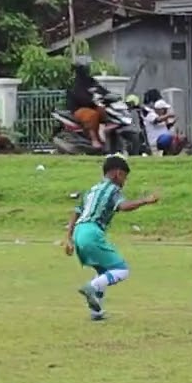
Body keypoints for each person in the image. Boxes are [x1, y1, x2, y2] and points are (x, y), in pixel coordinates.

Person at [65, 156, 159, 321]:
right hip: (92, 231)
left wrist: (69, 238)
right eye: (124, 177)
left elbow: (77, 211)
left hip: (79, 231)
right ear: (117, 173)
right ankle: (91, 287)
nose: (124, 182)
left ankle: (96, 312)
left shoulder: (92, 190)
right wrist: (145, 200)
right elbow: (123, 206)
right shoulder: (113, 189)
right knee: (121, 270)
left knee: (103, 272)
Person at [68, 61, 108, 151]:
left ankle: (106, 136)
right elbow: (80, 97)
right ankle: (94, 139)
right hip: (78, 109)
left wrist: (108, 96)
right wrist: (91, 99)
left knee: (105, 111)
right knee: (92, 115)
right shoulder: (75, 84)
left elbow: (102, 90)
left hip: (92, 105)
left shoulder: (91, 81)